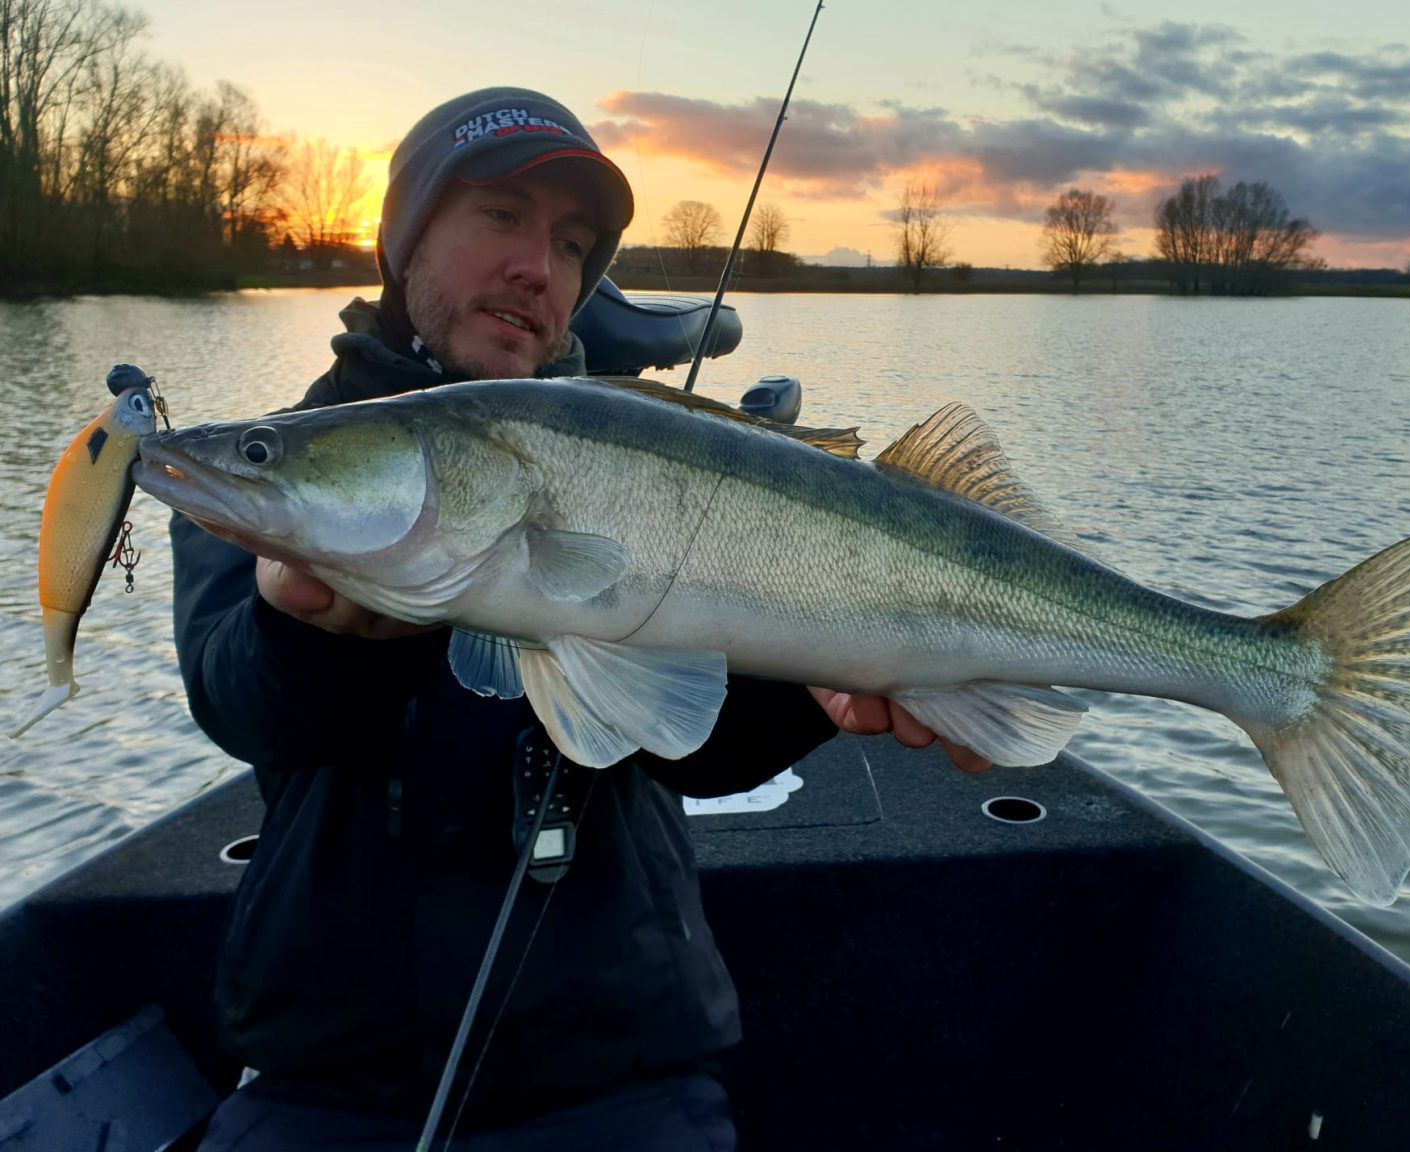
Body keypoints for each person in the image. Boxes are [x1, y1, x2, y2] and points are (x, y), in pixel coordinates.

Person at [175, 87, 986, 1152]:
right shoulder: (275, 467)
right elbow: (240, 701)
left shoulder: (646, 461)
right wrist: (309, 638)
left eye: (571, 244)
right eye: (501, 216)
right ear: (405, 236)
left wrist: (817, 691)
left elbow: (694, 747)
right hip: (328, 1075)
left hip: (621, 1067)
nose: (538, 267)